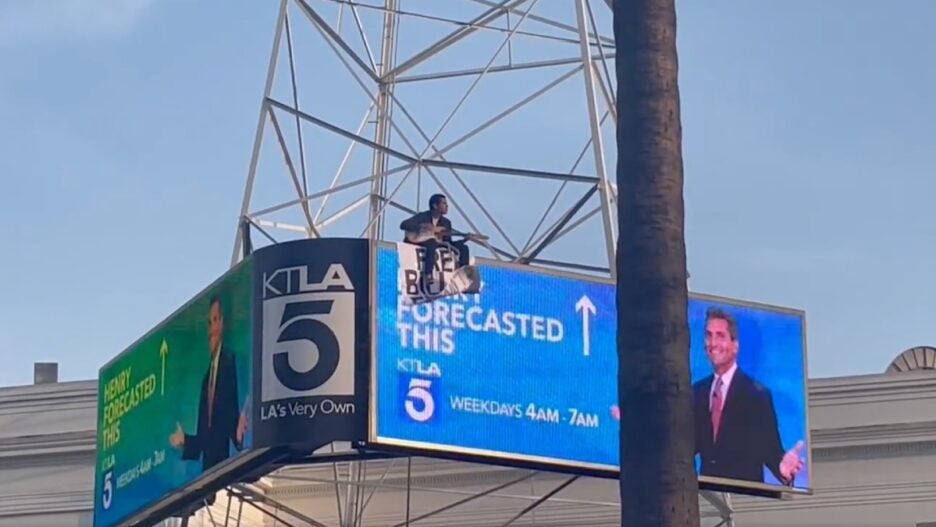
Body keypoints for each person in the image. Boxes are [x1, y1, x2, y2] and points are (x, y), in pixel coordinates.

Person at [692, 307, 805, 485]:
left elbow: (770, 450)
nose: (712, 343)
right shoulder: (696, 392)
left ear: (735, 345)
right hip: (705, 499)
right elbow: (686, 449)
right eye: (708, 335)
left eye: (720, 336)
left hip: (746, 499)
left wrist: (783, 471)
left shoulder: (756, 394)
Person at [169, 295, 248, 472]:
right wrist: (186, 441)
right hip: (210, 474)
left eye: (214, 321)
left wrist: (239, 435)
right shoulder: (207, 378)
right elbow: (207, 437)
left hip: (225, 471)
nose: (210, 330)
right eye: (208, 323)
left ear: (223, 323)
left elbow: (230, 420)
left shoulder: (231, 363)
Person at [399, 194, 474, 287]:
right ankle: (428, 274)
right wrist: (427, 227)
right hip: (418, 242)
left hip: (436, 244)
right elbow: (403, 225)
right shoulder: (423, 216)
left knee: (464, 248)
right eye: (444, 203)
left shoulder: (446, 223)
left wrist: (464, 240)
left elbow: (448, 242)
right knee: (431, 242)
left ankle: (464, 276)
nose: (447, 206)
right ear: (435, 205)